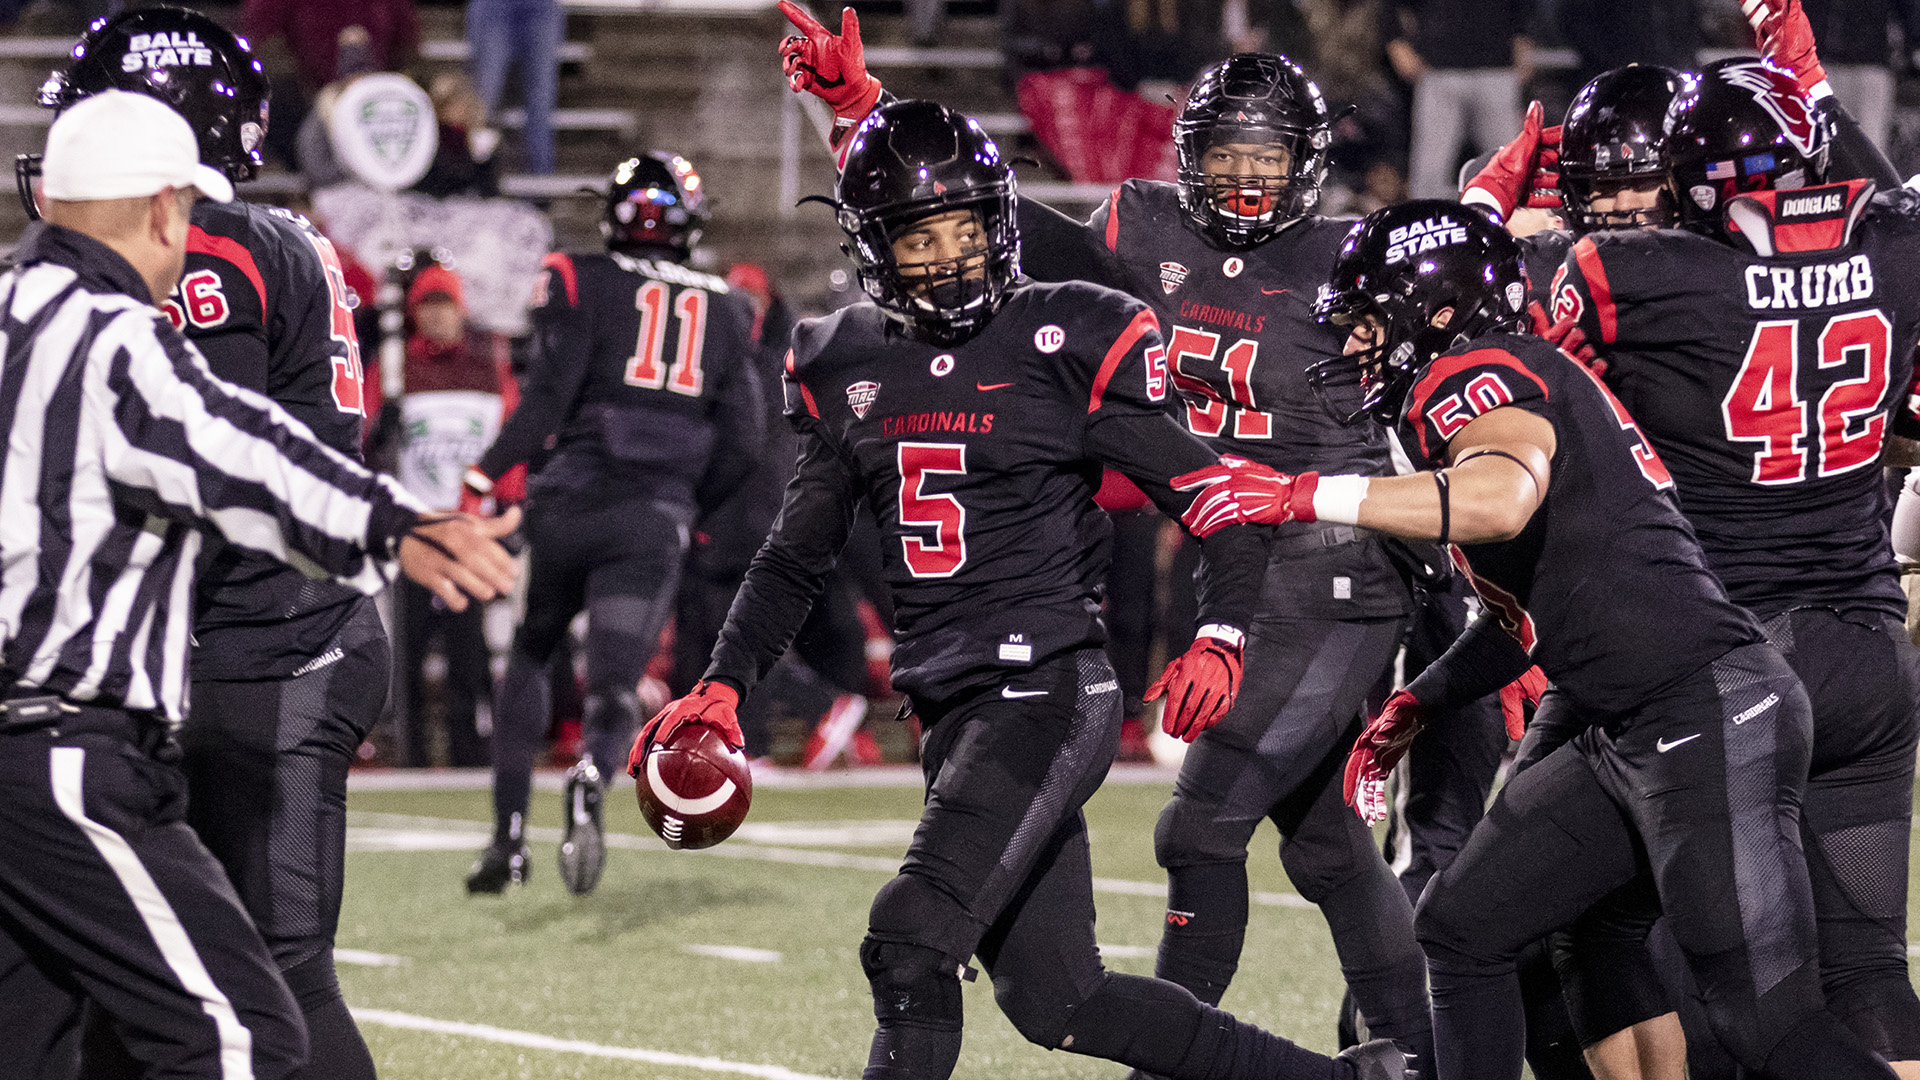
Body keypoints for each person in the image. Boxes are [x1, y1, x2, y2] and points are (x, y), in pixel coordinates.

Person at [637, 96, 1409, 1080]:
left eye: (966, 230)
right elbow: (795, 557)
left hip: (1047, 687)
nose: (951, 258)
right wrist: (723, 683)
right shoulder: (845, 360)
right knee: (1060, 999)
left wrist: (1221, 632)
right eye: (921, 238)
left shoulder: (1063, 335)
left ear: (999, 223)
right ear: (874, 246)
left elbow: (1216, 500)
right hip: (948, 700)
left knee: (911, 936)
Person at [1178, 198, 1902, 1080]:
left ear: (1435, 311)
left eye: (1370, 319)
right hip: (1636, 723)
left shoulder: (1473, 368)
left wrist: (1299, 493)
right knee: (1464, 926)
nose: (1357, 343)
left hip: (1703, 710)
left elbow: (1499, 500)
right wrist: (1421, 698)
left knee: (1768, 1025)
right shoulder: (1510, 370)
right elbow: (1530, 613)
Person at [0, 88, 517, 1080]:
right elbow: (239, 452)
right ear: (164, 210)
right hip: (69, 747)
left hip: (50, 741)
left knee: (42, 1043)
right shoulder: (112, 334)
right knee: (245, 1031)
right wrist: (391, 523)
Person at [20, 9, 402, 1078]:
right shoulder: (274, 235)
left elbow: (205, 460)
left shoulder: (212, 249)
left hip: (267, 645)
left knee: (278, 975)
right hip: (252, 634)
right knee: (144, 978)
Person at [1540, 25, 1920, 1077]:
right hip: (1866, 655)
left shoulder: (1637, 279)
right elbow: (1884, 204)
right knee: (1866, 969)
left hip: (1722, 658)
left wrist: (1489, 206)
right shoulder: (1894, 249)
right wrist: (1816, 90)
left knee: (1589, 930)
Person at [460, 151, 765, 897]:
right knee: (615, 685)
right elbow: (746, 440)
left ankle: (506, 839)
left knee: (531, 653)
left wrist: (484, 472)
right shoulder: (729, 306)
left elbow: (548, 397)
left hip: (569, 505)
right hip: (651, 518)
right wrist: (691, 506)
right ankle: (594, 772)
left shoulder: (577, 276)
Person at [394, 262, 507, 769]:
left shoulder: (487, 366)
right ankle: (411, 750)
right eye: (428, 306)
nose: (437, 316)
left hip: (469, 531)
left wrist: (507, 503)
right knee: (409, 648)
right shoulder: (395, 370)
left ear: (460, 311)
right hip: (415, 530)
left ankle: (468, 750)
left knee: (468, 649)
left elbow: (507, 438)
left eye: (445, 305)